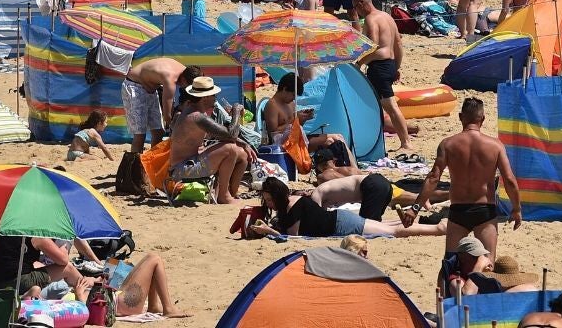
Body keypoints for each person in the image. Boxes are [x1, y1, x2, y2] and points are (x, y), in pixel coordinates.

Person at [412, 97, 523, 262]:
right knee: (487, 265)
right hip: (485, 210)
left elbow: (434, 177)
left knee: (450, 264)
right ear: (483, 119)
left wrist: (415, 208)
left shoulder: (447, 144)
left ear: (460, 117)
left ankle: (448, 288)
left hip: (458, 210)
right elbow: (509, 179)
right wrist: (516, 208)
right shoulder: (495, 145)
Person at [245, 177, 445, 241]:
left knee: (392, 231)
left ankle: (438, 229)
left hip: (342, 224)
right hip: (342, 219)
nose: (269, 204)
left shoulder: (295, 205)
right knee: (384, 225)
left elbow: (294, 237)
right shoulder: (293, 203)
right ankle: (431, 224)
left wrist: (269, 231)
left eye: (270, 200)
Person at [164, 77, 251, 204]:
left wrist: (243, 143)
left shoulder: (194, 112)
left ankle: (230, 193)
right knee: (230, 148)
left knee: (242, 154)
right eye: (213, 95)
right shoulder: (197, 116)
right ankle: (223, 196)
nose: (215, 98)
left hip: (188, 163)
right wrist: (236, 111)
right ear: (205, 97)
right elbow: (231, 134)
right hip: (182, 169)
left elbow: (221, 134)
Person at [353, 0, 411, 152]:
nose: (356, 13)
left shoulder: (371, 19)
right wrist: (396, 67)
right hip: (390, 64)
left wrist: (359, 63)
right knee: (379, 104)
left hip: (379, 67)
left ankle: (406, 142)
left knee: (390, 106)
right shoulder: (387, 17)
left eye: (355, 8)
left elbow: (373, 47)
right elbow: (398, 44)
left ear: (360, 5)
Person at [86, 252, 189, 320]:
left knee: (150, 257)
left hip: (116, 297)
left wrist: (95, 282)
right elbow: (85, 306)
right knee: (155, 259)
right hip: (121, 304)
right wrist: (82, 289)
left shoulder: (69, 271)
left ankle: (153, 306)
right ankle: (168, 309)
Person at [123, 58, 192, 155]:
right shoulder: (170, 78)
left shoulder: (186, 71)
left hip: (151, 90)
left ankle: (153, 162)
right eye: (185, 86)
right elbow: (167, 115)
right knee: (140, 134)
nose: (183, 88)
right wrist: (176, 129)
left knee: (159, 131)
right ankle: (135, 167)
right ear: (184, 79)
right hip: (134, 86)